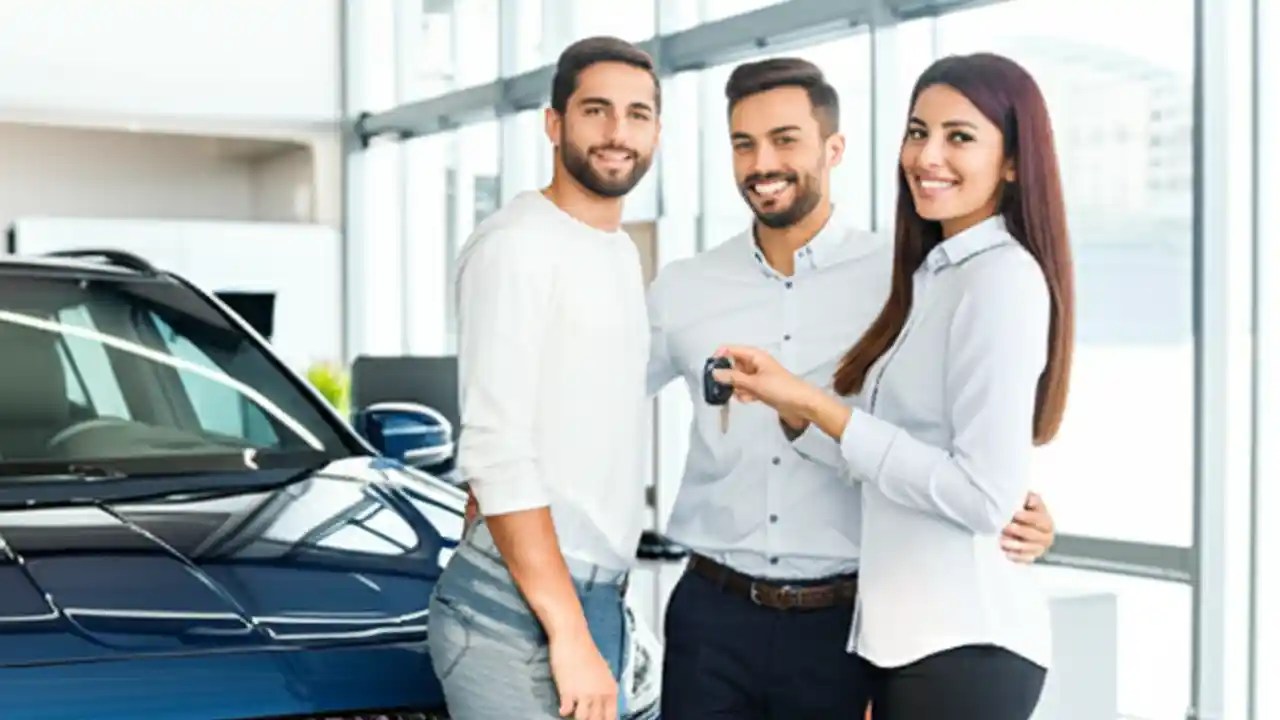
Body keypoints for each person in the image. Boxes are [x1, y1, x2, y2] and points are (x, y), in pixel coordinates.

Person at [644, 57, 1058, 720]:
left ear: (834, 148)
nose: (762, 163)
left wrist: (1027, 508)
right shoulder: (684, 286)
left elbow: (982, 437)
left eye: (785, 139)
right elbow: (600, 404)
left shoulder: (903, 277)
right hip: (711, 617)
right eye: (743, 143)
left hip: (844, 625)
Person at [429, 36, 661, 720]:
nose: (619, 133)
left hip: (596, 596)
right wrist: (567, 631)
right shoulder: (516, 245)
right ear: (554, 123)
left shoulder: (615, 251)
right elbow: (496, 447)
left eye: (638, 114)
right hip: (521, 613)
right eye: (597, 111)